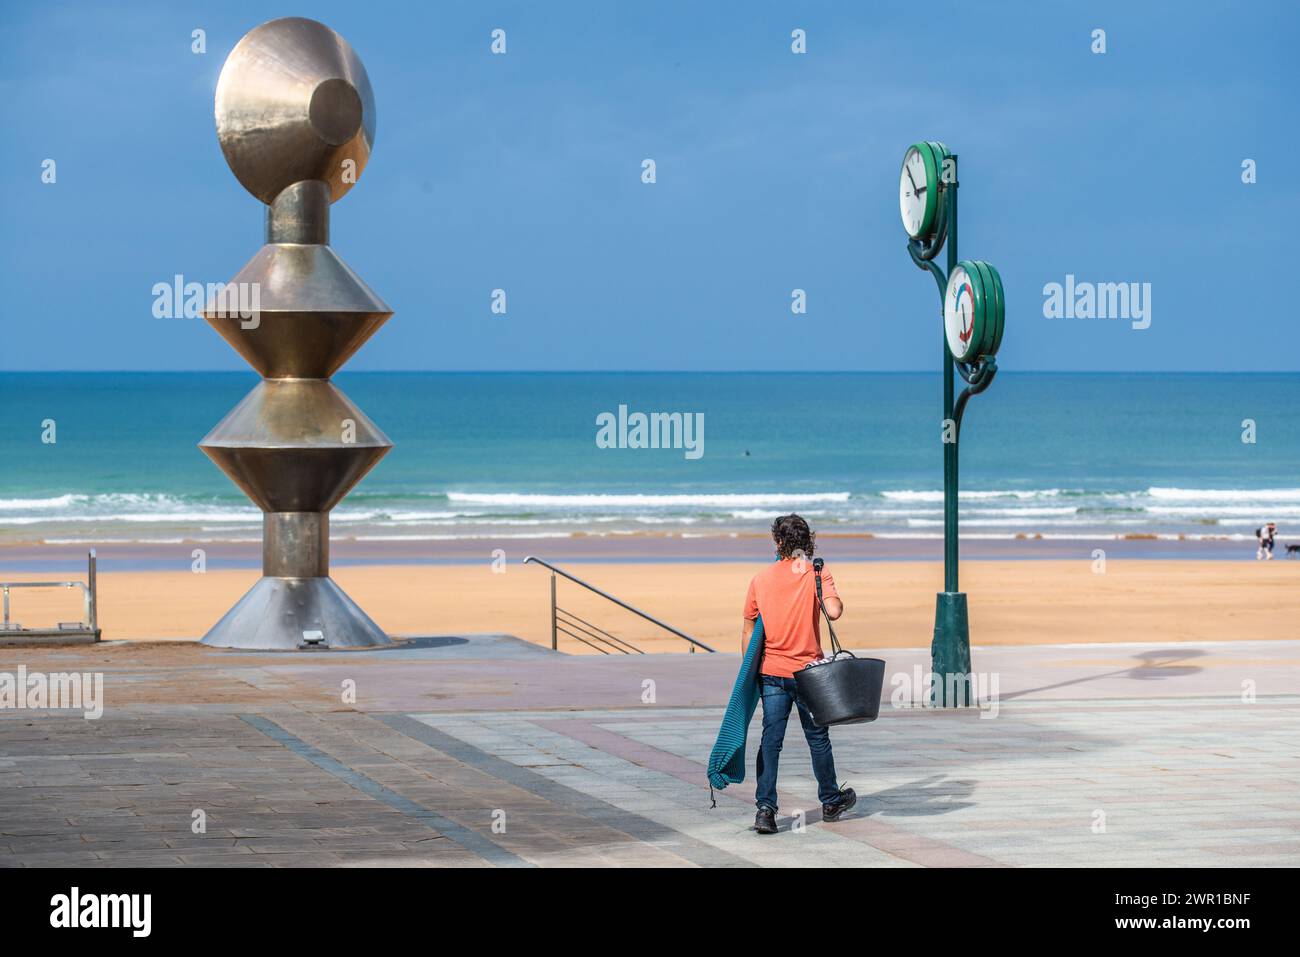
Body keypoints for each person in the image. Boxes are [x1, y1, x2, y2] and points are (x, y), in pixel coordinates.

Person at [741, 514, 856, 834]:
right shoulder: (817, 571)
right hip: (809, 673)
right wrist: (826, 592)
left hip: (771, 672)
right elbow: (833, 611)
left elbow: (748, 628)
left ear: (778, 542)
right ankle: (831, 800)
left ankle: (765, 809)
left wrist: (749, 672)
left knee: (770, 740)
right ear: (808, 540)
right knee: (818, 739)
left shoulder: (761, 579)